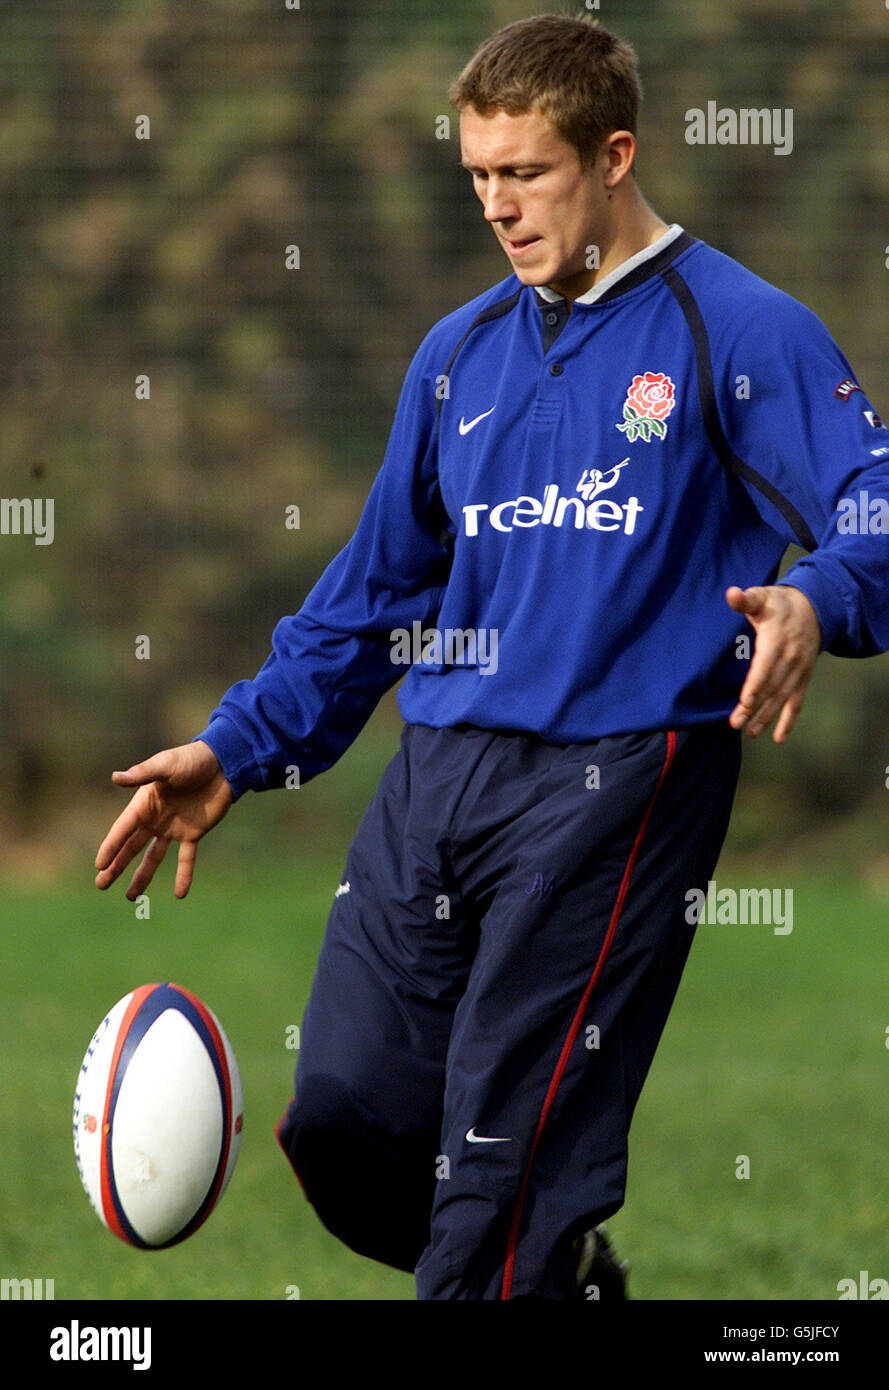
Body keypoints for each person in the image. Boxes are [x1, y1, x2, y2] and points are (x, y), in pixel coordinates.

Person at [94, 13, 889, 1300]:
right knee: (345, 1125)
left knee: (493, 1176)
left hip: (620, 784)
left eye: (526, 173)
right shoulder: (457, 352)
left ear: (614, 154)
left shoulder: (733, 330)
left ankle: (514, 1257)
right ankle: (554, 1276)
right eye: (477, 176)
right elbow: (376, 593)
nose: (498, 207)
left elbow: (875, 497)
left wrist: (817, 598)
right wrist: (240, 742)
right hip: (441, 782)